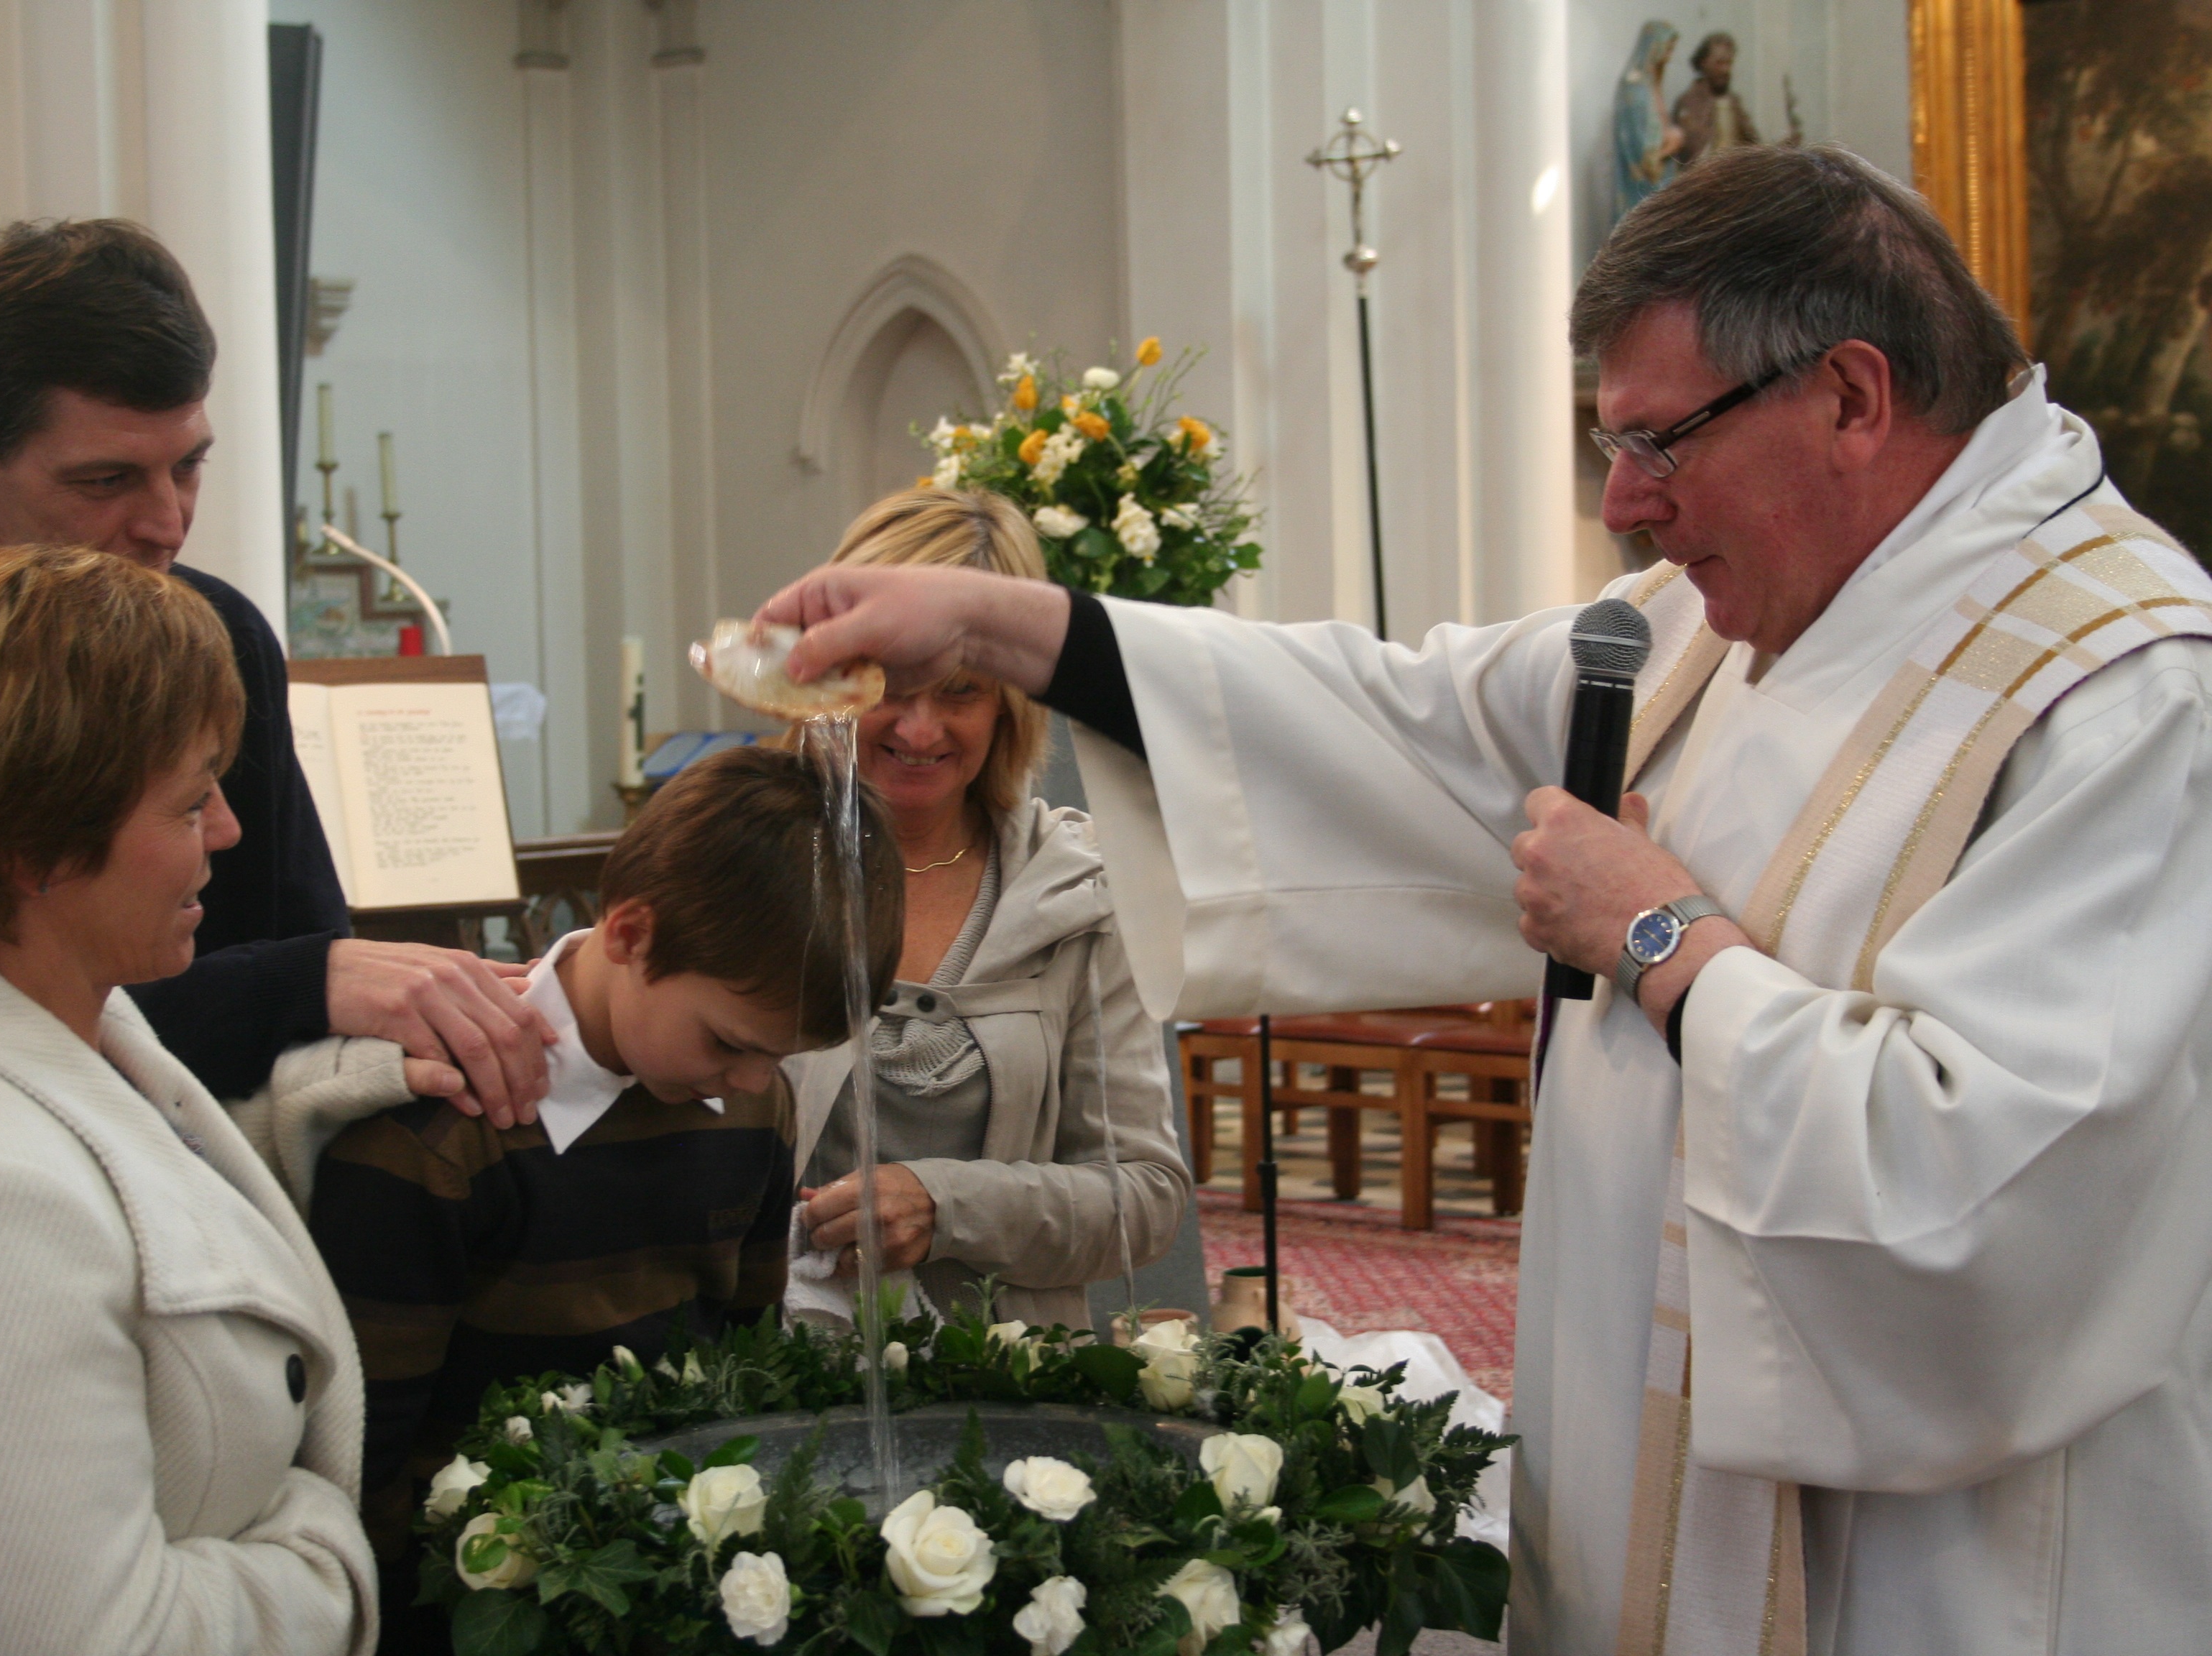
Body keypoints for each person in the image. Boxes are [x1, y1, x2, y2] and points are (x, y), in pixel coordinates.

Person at [760, 145, 2212, 1655]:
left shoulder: (2114, 699)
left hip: (1944, 1574)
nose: (1625, 504)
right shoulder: (1715, 635)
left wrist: (1660, 938)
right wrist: (996, 622)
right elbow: (1396, 721)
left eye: (1660, 441)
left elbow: (1990, 1190)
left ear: (1849, 397)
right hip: (1638, 1485)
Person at [0, 218, 553, 1614]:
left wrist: (413, 1042)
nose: (164, 522)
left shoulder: (215, 631)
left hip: (178, 1332)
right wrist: (316, 984)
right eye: (107, 479)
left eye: (190, 468)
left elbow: (298, 989)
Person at [0, 546, 441, 1654]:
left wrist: (376, 1083)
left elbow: (152, 1185)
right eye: (189, 801)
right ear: (33, 851)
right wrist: (322, 1551)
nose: (226, 830)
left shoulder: (52, 1012)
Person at [303, 745, 903, 1654]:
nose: (750, 1078)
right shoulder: (439, 1131)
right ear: (630, 935)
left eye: (775, 1057)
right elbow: (359, 1465)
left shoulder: (752, 1102)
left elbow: (745, 1372)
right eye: (727, 1041)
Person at [787, 489, 1189, 1333]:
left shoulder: (1079, 890)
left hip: (1007, 1388)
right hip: (769, 1380)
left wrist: (946, 1205)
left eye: (962, 691)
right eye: (891, 685)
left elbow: (1145, 1197)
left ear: (1011, 702)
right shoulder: (754, 862)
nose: (922, 728)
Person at [1613, 20, 1684, 221]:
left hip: (1662, 179)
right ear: (1654, 46)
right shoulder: (1634, 90)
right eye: (1667, 49)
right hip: (1643, 185)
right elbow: (1641, 152)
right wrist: (1674, 141)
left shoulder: (1652, 84)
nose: (1669, 57)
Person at [1672, 32, 1762, 170]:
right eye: (1719, 63)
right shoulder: (1689, 102)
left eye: (1729, 63)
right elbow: (1690, 151)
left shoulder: (1734, 102)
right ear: (1703, 63)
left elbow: (1754, 143)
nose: (1726, 70)